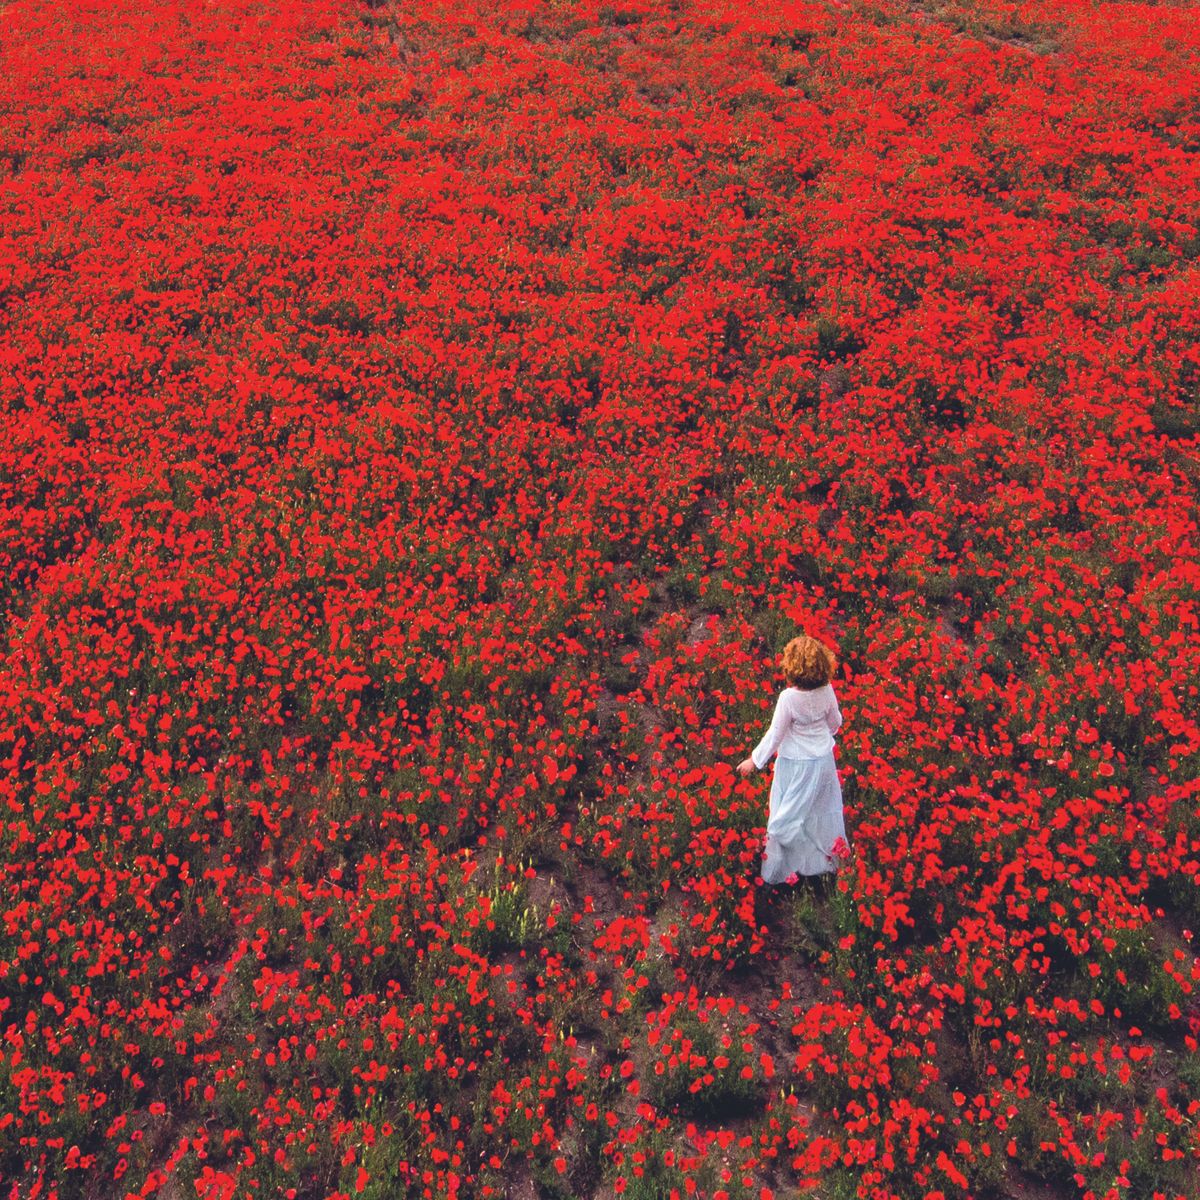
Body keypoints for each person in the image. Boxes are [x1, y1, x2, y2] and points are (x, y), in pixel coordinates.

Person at [737, 635, 850, 894]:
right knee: (819, 812)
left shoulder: (788, 698)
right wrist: (819, 738)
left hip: (796, 765)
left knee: (783, 819)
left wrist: (754, 761)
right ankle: (823, 866)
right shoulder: (827, 689)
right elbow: (836, 723)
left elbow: (775, 734)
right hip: (823, 763)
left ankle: (781, 873)